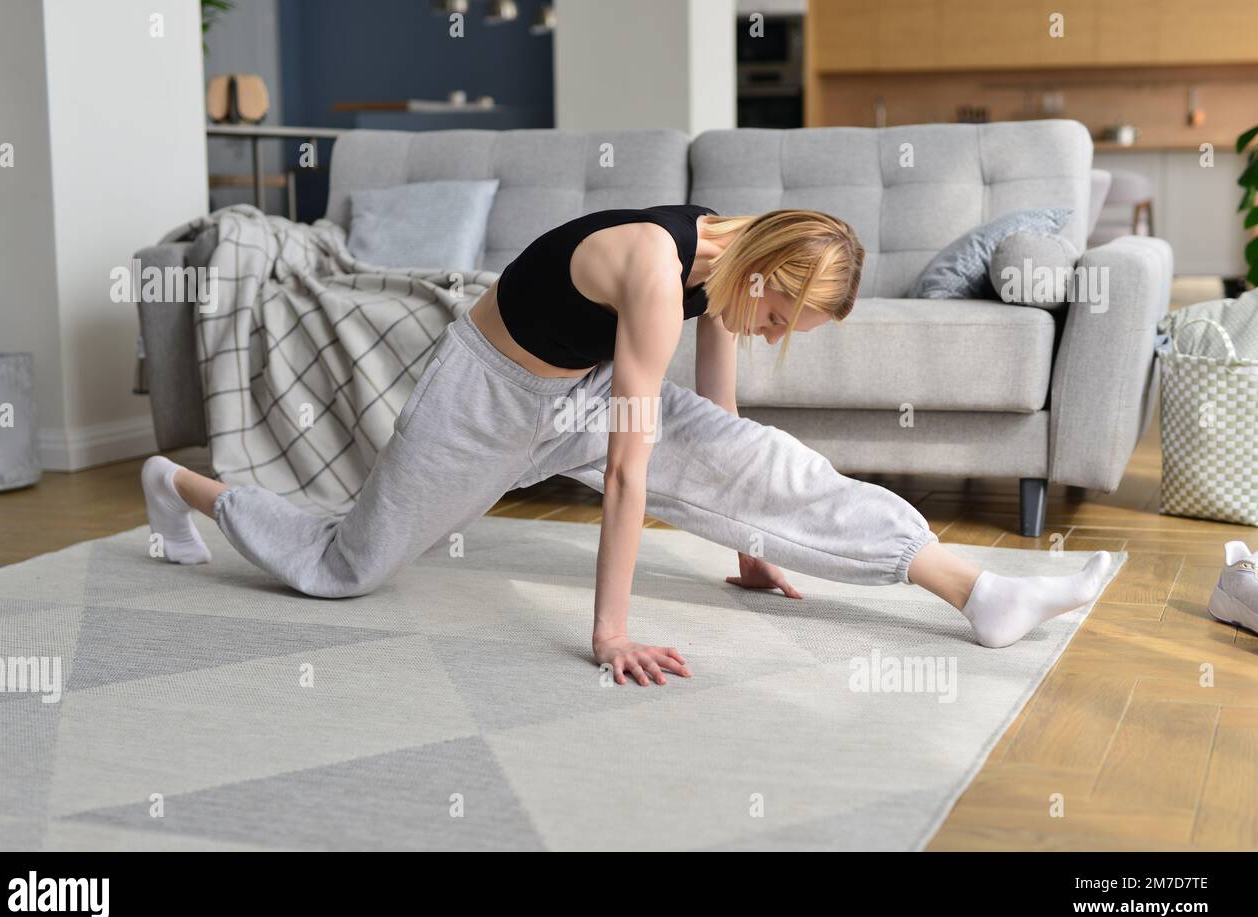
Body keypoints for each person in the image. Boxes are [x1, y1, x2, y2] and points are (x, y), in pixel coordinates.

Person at [141, 205, 1111, 687]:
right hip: (484, 400)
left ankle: (979, 592)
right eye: (781, 316)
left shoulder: (729, 270)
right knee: (346, 566)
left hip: (585, 389)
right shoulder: (658, 265)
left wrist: (752, 548)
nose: (773, 334)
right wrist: (609, 636)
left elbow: (729, 440)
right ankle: (177, 484)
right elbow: (627, 470)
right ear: (765, 269)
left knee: (775, 466)